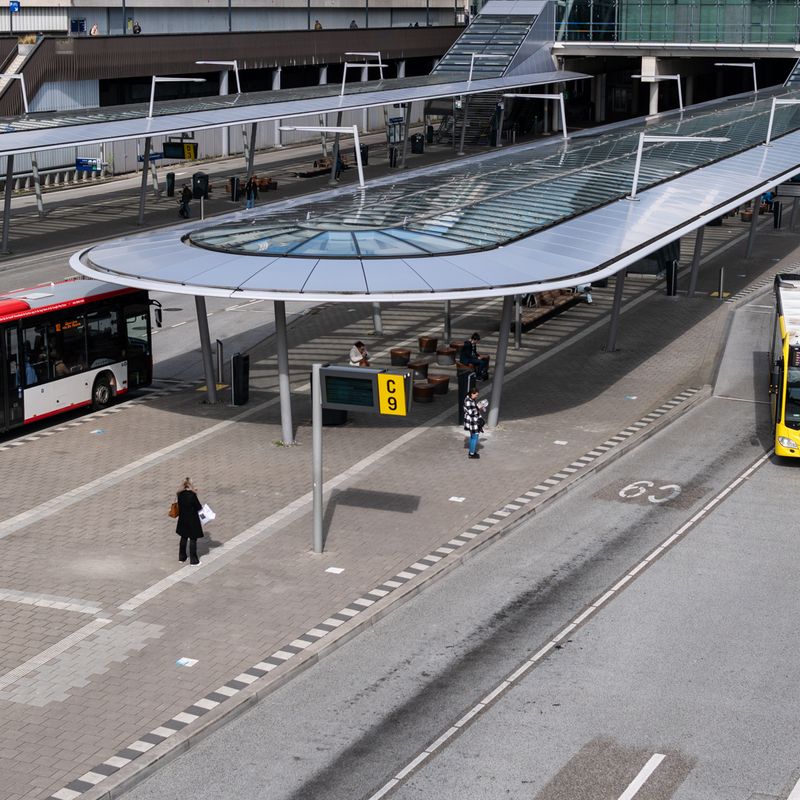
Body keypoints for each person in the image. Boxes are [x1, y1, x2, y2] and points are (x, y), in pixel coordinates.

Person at [175, 477, 203, 565]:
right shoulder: (192, 495)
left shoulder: (180, 494)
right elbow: (198, 507)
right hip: (192, 520)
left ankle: (182, 557)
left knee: (183, 537)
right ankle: (194, 560)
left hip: (183, 519)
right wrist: (195, 493)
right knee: (193, 539)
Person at [463, 387, 483, 459]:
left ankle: (472, 452)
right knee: (475, 437)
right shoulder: (468, 401)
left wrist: (477, 407)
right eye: (476, 395)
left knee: (473, 436)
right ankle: (471, 454)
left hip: (472, 421)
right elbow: (471, 412)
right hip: (472, 421)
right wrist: (479, 408)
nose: (476, 396)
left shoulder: (470, 399)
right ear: (472, 393)